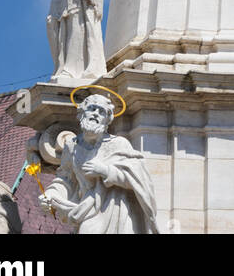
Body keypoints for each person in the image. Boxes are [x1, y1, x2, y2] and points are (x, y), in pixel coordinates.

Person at [39, 92, 159, 235]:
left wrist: (106, 171)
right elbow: (65, 179)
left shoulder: (118, 144)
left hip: (116, 209)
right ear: (81, 113)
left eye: (101, 111)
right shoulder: (72, 146)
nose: (95, 114)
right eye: (92, 108)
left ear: (107, 120)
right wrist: (51, 194)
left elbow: (140, 180)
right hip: (87, 209)